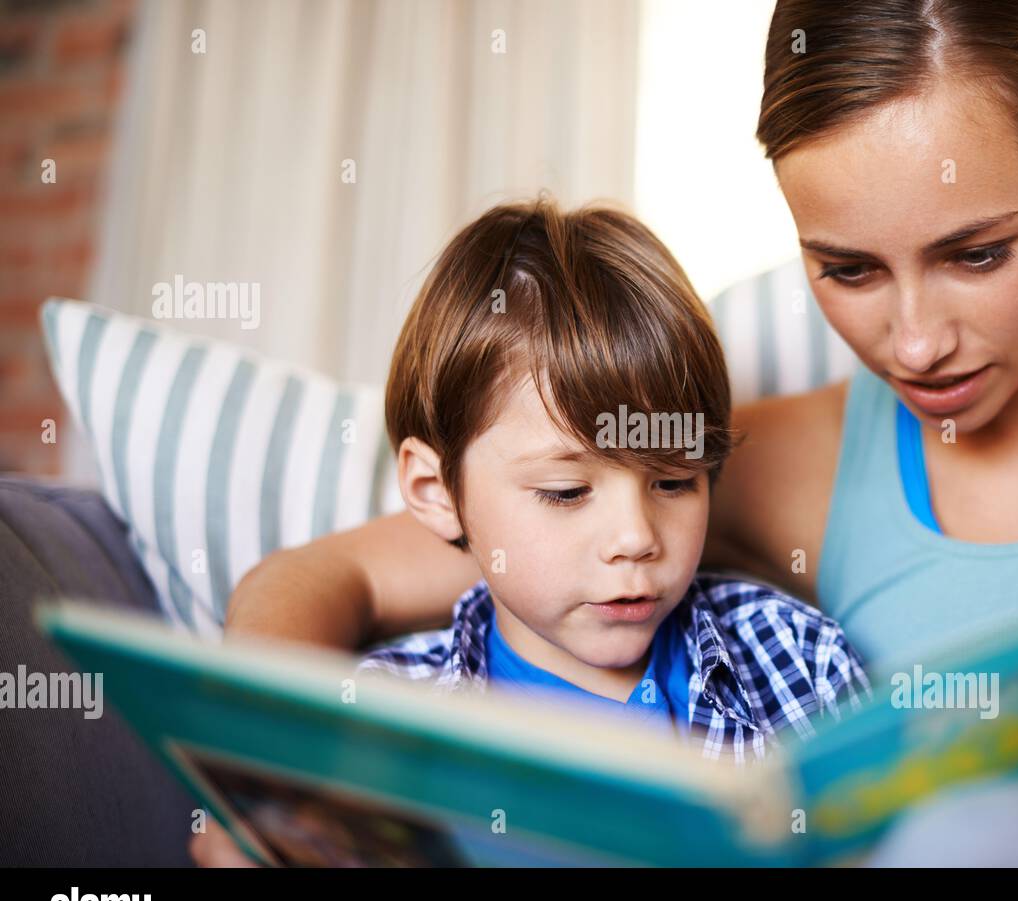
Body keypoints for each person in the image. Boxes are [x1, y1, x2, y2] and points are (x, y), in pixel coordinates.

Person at [199, 0, 1018, 864]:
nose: (914, 343)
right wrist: (273, 791)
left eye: (975, 254)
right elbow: (326, 573)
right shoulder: (771, 466)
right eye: (848, 269)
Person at [191, 196, 871, 865]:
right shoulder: (381, 721)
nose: (636, 536)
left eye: (674, 481)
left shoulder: (795, 659)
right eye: (566, 491)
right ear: (436, 492)